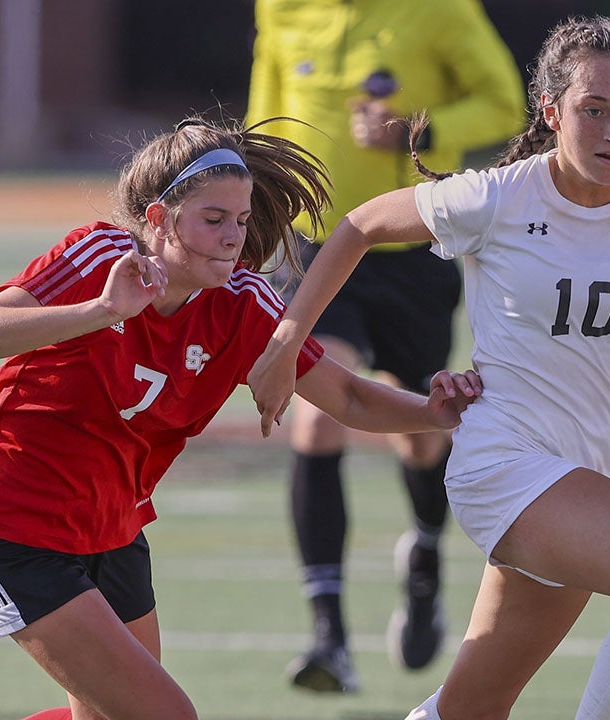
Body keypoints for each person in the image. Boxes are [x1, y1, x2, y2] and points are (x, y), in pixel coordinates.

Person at [247, 15, 610, 720]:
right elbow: (360, 225)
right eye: (593, 111)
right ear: (551, 109)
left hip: (590, 479)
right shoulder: (499, 197)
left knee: (473, 708)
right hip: (504, 465)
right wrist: (288, 339)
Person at [0, 116, 481, 720]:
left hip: (112, 525)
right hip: (16, 523)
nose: (234, 238)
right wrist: (100, 311)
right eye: (214, 219)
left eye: (243, 221)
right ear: (158, 219)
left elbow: (350, 398)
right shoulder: (100, 258)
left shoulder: (243, 304)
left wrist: (441, 414)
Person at [244, 0, 525, 689]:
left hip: (413, 251)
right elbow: (260, 130)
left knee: (423, 433)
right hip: (315, 253)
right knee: (315, 419)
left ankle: (425, 554)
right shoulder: (281, 9)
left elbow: (504, 105)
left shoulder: (442, 11)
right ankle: (328, 636)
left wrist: (420, 133)